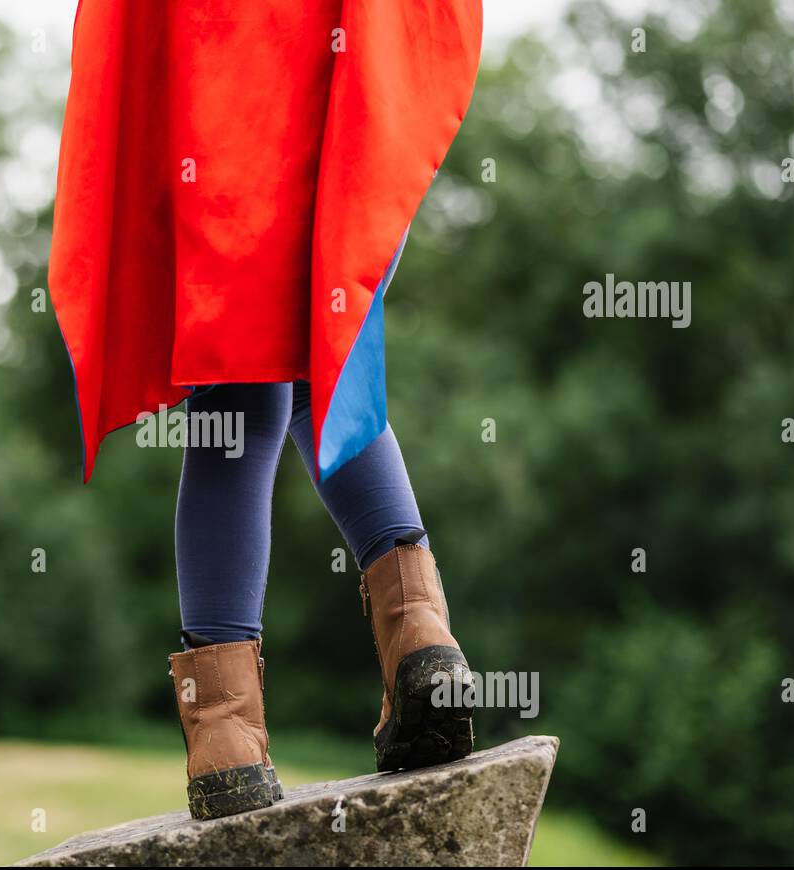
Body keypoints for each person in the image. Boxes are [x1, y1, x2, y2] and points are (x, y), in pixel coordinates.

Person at [49, 0, 485, 820]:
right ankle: (421, 635)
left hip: (224, 65)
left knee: (241, 386)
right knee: (328, 349)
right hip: (337, 57)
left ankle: (226, 740)